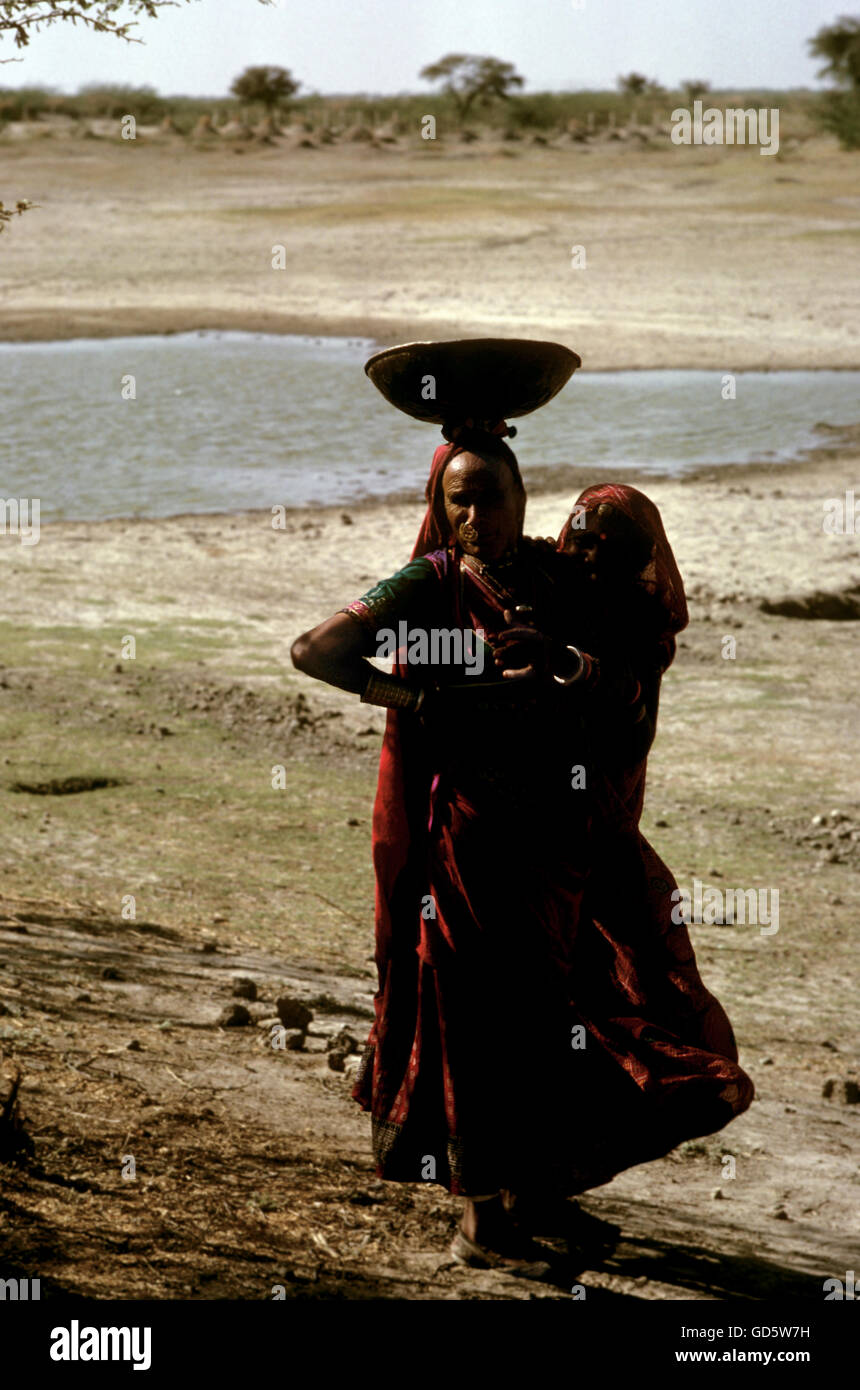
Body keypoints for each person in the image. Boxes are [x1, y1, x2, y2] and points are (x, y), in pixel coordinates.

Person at [290, 433, 754, 1270]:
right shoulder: (430, 582)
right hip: (468, 848)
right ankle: (482, 1224)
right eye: (459, 499)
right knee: (477, 1022)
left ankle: (536, 1197)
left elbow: (626, 653)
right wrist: (418, 696)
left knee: (557, 1020)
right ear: (442, 507)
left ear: (523, 498)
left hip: (559, 847)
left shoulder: (549, 578)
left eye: (492, 497)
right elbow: (316, 651)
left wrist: (567, 659)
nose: (476, 516)